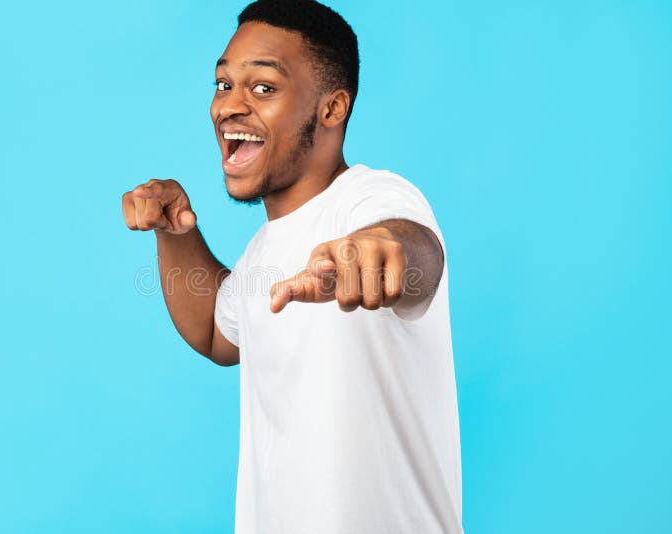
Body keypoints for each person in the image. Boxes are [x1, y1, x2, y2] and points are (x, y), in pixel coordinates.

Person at [121, 1, 463, 532]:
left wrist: (379, 252)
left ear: (332, 108)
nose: (227, 107)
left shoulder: (373, 198)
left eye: (262, 88)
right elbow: (218, 332)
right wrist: (176, 233)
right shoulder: (263, 249)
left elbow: (414, 256)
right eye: (222, 84)